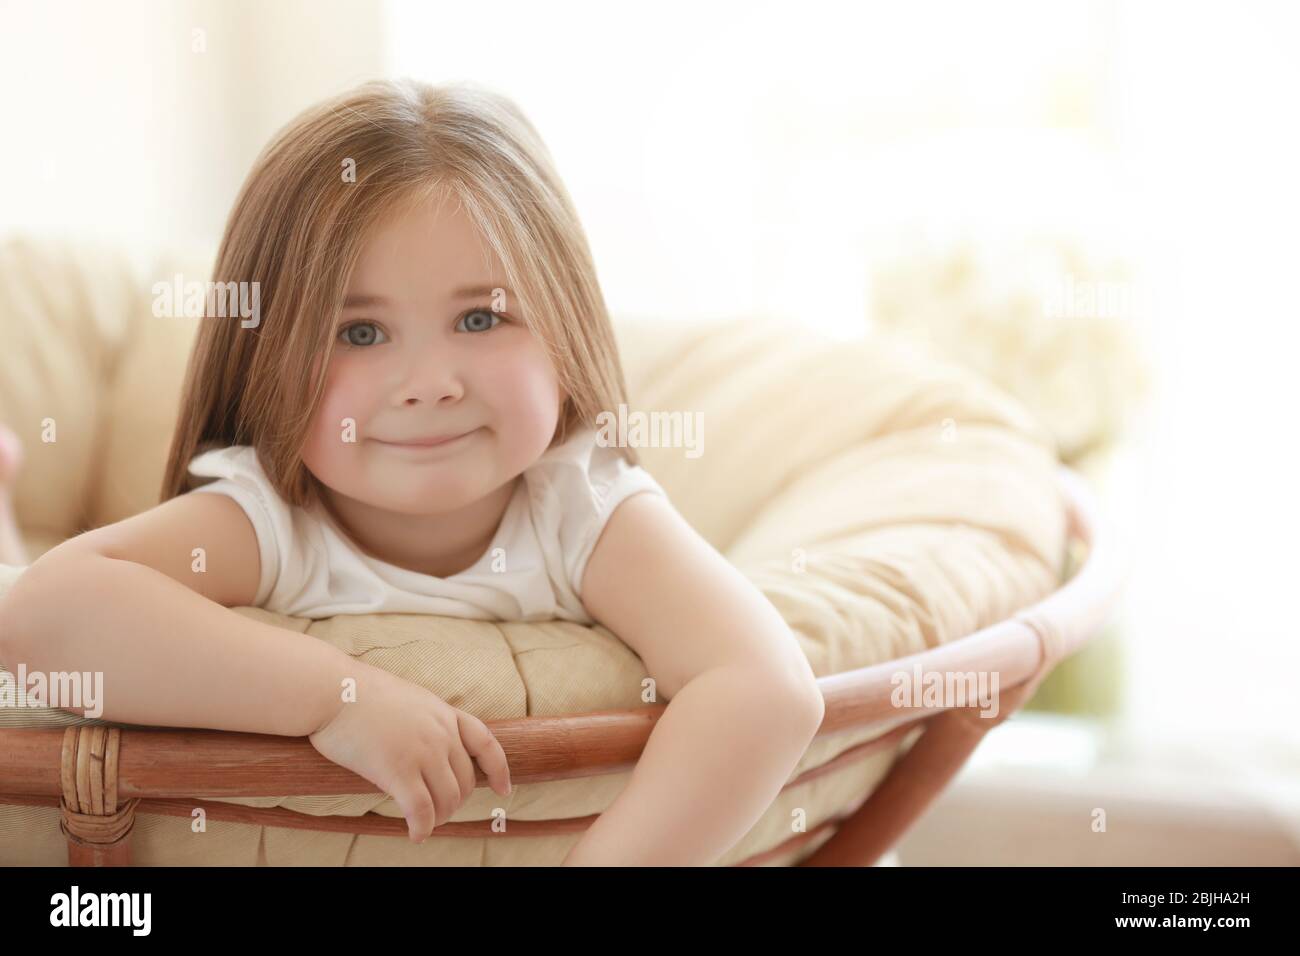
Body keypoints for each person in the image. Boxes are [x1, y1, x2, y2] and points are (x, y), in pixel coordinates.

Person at [0, 79, 824, 866]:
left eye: (480, 317)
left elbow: (765, 690)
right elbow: (39, 613)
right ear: (263, 361)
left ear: (566, 328)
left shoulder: (579, 505)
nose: (431, 381)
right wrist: (337, 699)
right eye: (359, 333)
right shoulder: (274, 517)